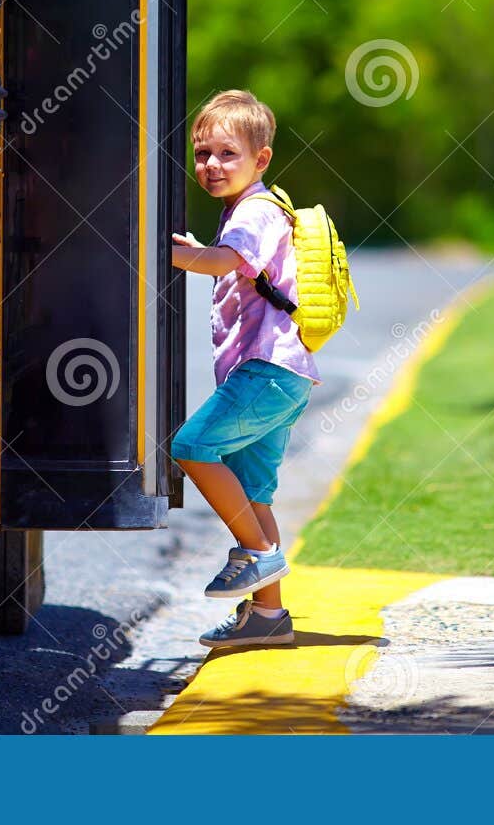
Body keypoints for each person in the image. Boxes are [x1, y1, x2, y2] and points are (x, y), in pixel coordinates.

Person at [169, 89, 320, 648]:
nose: (211, 165)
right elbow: (231, 268)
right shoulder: (251, 210)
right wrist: (198, 252)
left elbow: (226, 261)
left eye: (226, 154)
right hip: (281, 375)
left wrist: (161, 252)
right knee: (254, 494)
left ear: (261, 159)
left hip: (267, 371)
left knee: (190, 446)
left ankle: (256, 555)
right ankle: (268, 618)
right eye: (202, 153)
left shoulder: (255, 210)